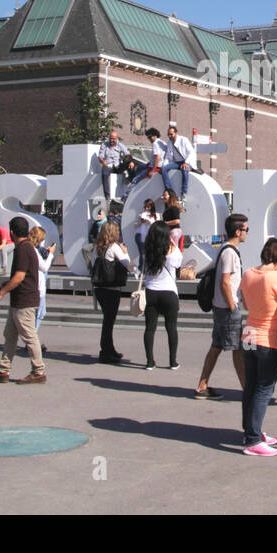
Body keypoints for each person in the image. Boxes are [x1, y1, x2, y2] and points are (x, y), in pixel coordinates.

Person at [239, 238, 277, 456]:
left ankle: (250, 431)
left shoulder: (248, 274)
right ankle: (252, 439)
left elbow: (244, 303)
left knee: (250, 386)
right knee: (264, 388)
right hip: (267, 338)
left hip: (249, 334)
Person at [0, 216, 48, 384]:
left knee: (29, 336)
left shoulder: (22, 249)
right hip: (20, 300)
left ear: (11, 231)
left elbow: (19, 277)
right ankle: (3, 369)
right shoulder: (27, 247)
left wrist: (0, 293)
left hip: (24, 300)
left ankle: (38, 370)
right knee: (10, 335)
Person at [195, 214, 249, 399]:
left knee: (217, 346)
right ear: (237, 231)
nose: (247, 233)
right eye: (245, 229)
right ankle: (247, 389)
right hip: (226, 308)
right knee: (238, 349)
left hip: (221, 307)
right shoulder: (229, 252)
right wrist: (233, 306)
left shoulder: (225, 250)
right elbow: (225, 282)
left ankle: (202, 385)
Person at [140, 219, 181, 370]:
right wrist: (173, 244)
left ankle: (150, 361)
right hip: (169, 292)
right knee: (171, 327)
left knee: (150, 328)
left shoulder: (148, 251)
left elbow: (144, 270)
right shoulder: (172, 251)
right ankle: (172, 361)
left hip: (151, 291)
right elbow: (178, 263)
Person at [90, 219, 133, 363]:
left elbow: (91, 263)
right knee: (109, 320)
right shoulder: (113, 247)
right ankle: (106, 351)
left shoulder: (96, 248)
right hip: (112, 288)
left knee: (107, 319)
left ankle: (109, 348)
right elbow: (127, 265)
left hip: (99, 287)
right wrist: (126, 253)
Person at [124, 127, 166, 200]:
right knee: (140, 167)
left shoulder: (155, 144)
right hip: (155, 165)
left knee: (135, 180)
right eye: (148, 138)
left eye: (150, 137)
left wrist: (152, 171)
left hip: (154, 167)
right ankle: (131, 178)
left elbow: (158, 157)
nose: (149, 139)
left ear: (155, 135)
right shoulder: (162, 142)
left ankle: (125, 197)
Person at [162, 125, 197, 204]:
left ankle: (183, 193)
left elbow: (191, 152)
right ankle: (169, 191)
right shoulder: (169, 143)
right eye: (168, 134)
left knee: (184, 170)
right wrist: (164, 165)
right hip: (178, 162)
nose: (170, 136)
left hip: (188, 161)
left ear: (176, 133)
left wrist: (186, 162)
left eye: (171, 134)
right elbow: (168, 156)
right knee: (164, 169)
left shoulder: (184, 140)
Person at [97, 130, 127, 201]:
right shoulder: (104, 145)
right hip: (108, 165)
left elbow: (127, 154)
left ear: (117, 139)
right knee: (105, 172)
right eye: (110, 138)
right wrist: (103, 162)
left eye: (113, 139)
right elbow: (100, 157)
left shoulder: (120, 145)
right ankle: (107, 196)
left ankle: (128, 182)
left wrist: (130, 161)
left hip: (117, 165)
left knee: (128, 164)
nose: (112, 140)